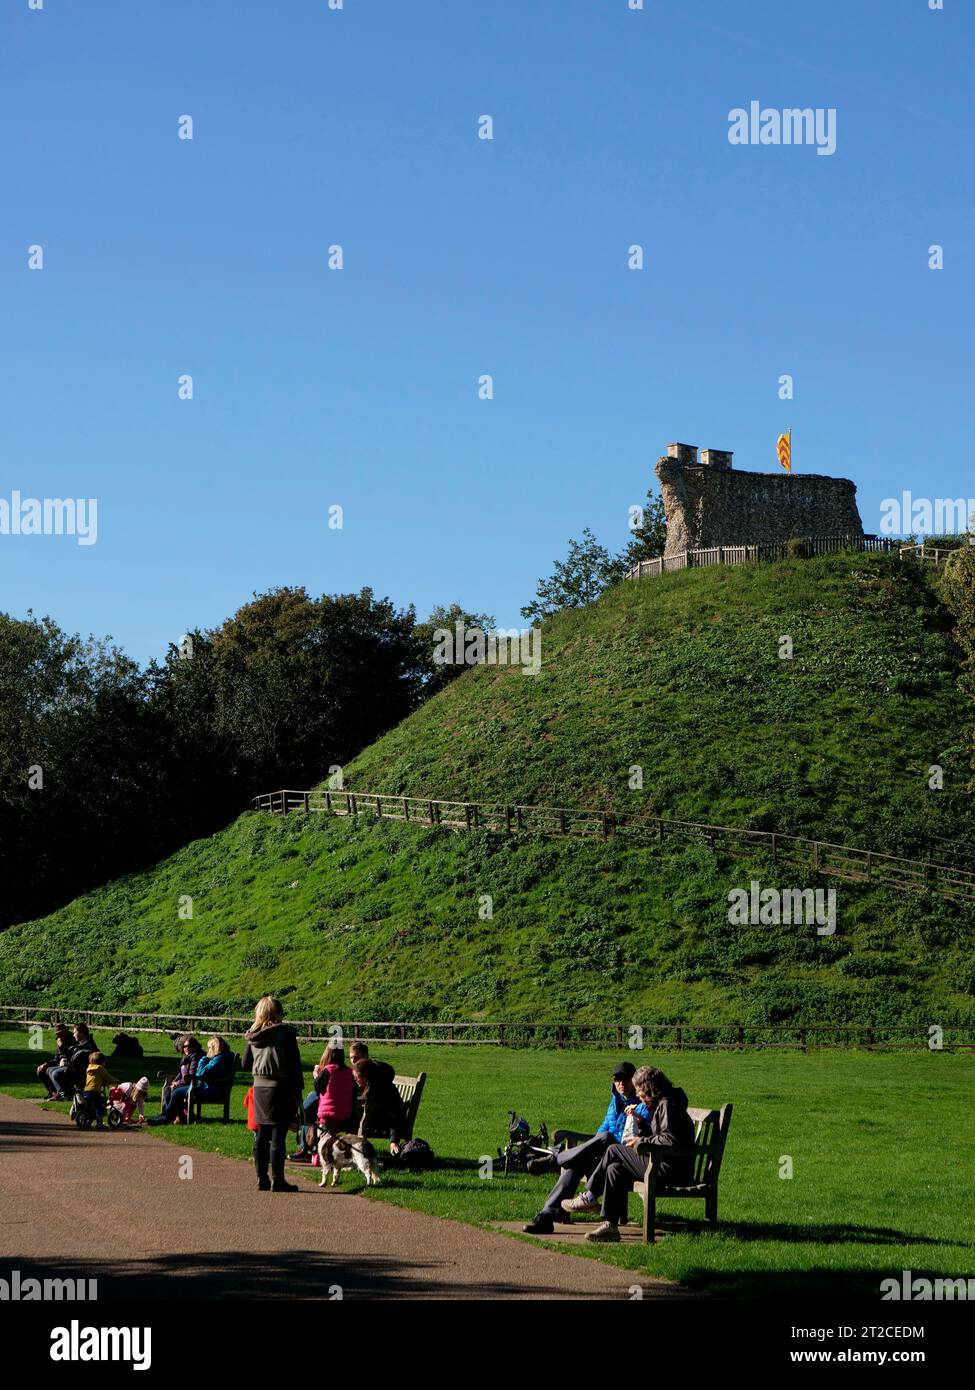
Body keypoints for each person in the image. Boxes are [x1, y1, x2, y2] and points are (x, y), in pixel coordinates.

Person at [522, 1061, 650, 1235]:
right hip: (606, 1156)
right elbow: (602, 1132)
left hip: (623, 1159)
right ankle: (546, 1216)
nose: (620, 1083)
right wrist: (590, 1151)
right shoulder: (615, 1102)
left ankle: (555, 1160)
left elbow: (641, 1134)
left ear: (634, 1082)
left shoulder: (642, 1104)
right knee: (576, 1163)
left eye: (625, 1080)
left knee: (602, 1141)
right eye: (617, 1079)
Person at [578, 1066, 696, 1243]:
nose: (639, 1097)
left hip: (671, 1170)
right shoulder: (665, 1103)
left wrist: (642, 1142)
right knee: (614, 1168)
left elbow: (669, 1140)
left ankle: (590, 1196)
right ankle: (610, 1226)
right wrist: (641, 1126)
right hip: (664, 1163)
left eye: (640, 1093)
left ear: (650, 1089)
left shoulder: (667, 1105)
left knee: (614, 1150)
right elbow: (663, 1135)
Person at [242, 996, 304, 1192]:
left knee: (262, 1134)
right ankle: (278, 1179)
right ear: (278, 1013)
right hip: (281, 1087)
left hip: (259, 1087)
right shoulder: (285, 1033)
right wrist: (298, 1091)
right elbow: (294, 1064)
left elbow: (245, 1064)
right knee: (279, 1135)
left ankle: (262, 1177)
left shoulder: (253, 1034)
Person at [148, 1036, 232, 1125]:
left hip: (211, 1090)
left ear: (215, 1048)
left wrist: (204, 1059)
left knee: (177, 1092)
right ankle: (168, 1117)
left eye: (210, 1047)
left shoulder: (218, 1059)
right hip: (212, 1088)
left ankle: (165, 1118)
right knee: (176, 1091)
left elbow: (200, 1074)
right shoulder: (224, 1057)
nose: (208, 1050)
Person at [352, 1054, 405, 1155]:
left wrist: (394, 1141)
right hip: (375, 1119)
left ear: (366, 1075)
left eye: (357, 1077)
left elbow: (395, 1113)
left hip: (384, 1123)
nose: (355, 1079)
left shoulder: (383, 1089)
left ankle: (356, 1151)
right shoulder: (371, 1084)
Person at [47, 1024, 98, 1099]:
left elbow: (80, 1062)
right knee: (49, 1069)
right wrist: (64, 1059)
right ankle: (58, 1093)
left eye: (74, 1033)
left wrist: (66, 1061)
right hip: (75, 1068)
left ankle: (64, 1094)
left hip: (81, 1072)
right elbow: (73, 1055)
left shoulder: (88, 1045)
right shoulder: (81, 1043)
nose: (73, 1035)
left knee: (55, 1073)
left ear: (81, 1033)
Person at [159, 1036, 204, 1113]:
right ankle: (173, 1114)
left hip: (192, 1084)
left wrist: (177, 1083)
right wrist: (174, 1081)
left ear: (194, 1046)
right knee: (168, 1089)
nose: (186, 1048)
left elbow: (190, 1075)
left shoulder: (195, 1057)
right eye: (184, 1046)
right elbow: (181, 1073)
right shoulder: (186, 1058)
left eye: (188, 1046)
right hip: (185, 1082)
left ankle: (171, 1114)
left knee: (169, 1091)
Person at [37, 1024, 73, 1098]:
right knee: (40, 1070)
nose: (59, 1036)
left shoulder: (72, 1040)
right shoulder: (59, 1039)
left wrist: (61, 1046)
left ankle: (61, 1094)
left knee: (52, 1071)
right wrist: (46, 1064)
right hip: (60, 1064)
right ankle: (53, 1093)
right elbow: (57, 1058)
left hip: (69, 1065)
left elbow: (70, 1055)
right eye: (57, 1034)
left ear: (65, 1031)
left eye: (61, 1033)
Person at [84, 1051, 117, 1130]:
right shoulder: (100, 1069)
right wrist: (116, 1081)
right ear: (102, 1062)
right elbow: (108, 1077)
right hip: (94, 1091)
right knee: (99, 1106)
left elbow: (95, 1080)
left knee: (89, 1107)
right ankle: (99, 1124)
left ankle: (88, 1121)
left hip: (86, 1090)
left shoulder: (89, 1069)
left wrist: (102, 1083)